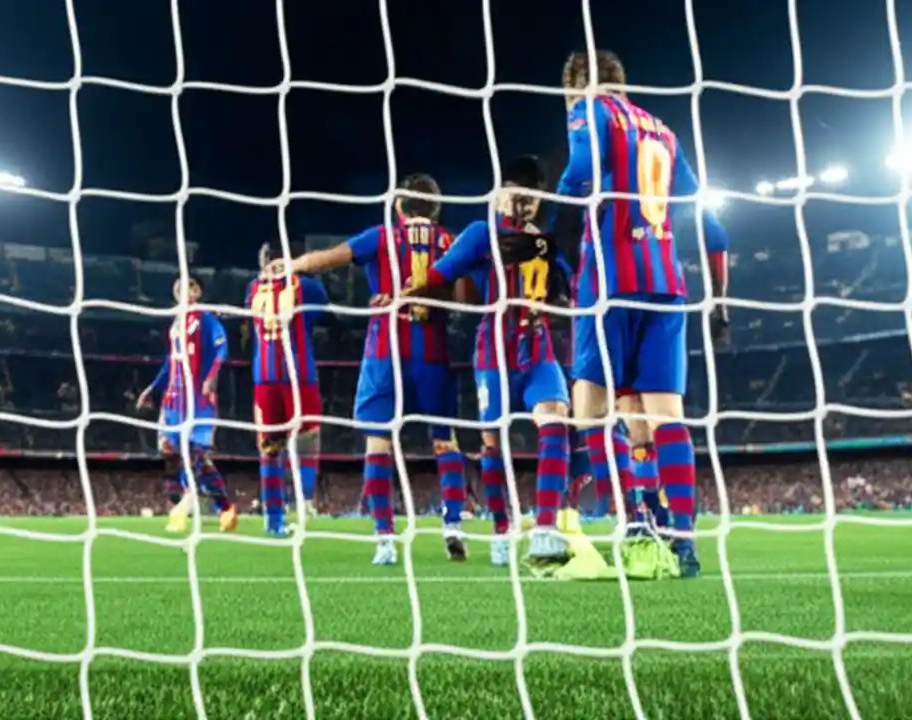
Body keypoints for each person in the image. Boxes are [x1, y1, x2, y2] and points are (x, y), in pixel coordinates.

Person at [556, 49, 730, 576]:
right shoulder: (663, 130)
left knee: (590, 411)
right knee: (662, 417)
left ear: (576, 88)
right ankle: (682, 538)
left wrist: (553, 222)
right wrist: (720, 301)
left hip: (608, 282)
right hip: (667, 285)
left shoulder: (591, 110)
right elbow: (711, 226)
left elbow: (581, 171)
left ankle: (633, 518)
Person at [266, 173, 467, 565]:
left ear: (398, 206)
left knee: (379, 443)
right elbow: (463, 296)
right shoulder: (450, 241)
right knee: (445, 441)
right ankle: (454, 526)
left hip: (384, 351)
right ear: (436, 207)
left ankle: (385, 540)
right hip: (434, 351)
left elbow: (327, 259)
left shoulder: (382, 237)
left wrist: (292, 265)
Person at [403, 155, 572, 566]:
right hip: (493, 350)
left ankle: (546, 529)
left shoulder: (545, 242)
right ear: (500, 196)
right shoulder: (481, 234)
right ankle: (501, 530)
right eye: (517, 195)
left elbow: (567, 290)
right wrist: (406, 294)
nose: (523, 205)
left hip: (538, 348)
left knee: (556, 421)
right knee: (492, 443)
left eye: (532, 198)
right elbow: (441, 273)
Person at [137, 277, 237, 533]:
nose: (184, 292)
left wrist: (211, 378)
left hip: (199, 400)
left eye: (190, 287)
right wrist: (152, 388)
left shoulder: (205, 318)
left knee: (195, 457)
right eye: (179, 288)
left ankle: (201, 506)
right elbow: (171, 362)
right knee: (170, 452)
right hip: (173, 401)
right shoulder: (176, 324)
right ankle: (207, 505)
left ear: (198, 291)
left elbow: (222, 348)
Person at [247, 242, 329, 536]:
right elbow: (324, 302)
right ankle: (304, 508)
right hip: (299, 374)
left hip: (264, 375)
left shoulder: (253, 288)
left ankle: (273, 520)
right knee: (307, 442)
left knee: (270, 449)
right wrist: (301, 267)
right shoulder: (303, 286)